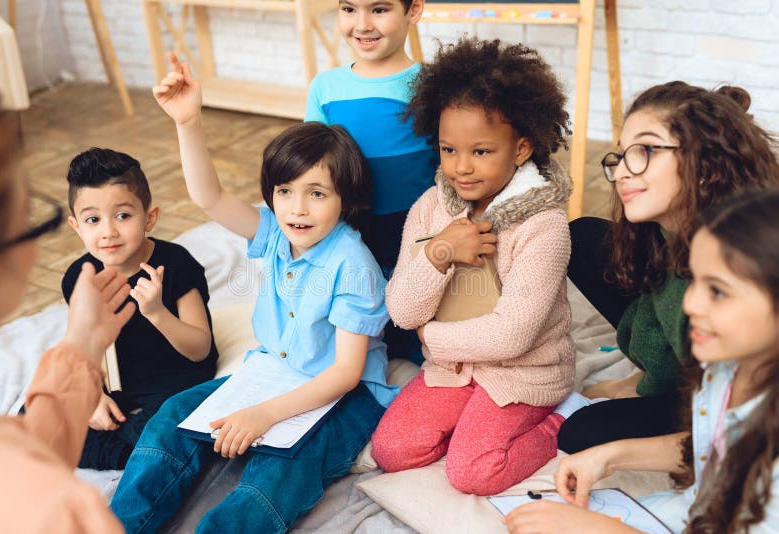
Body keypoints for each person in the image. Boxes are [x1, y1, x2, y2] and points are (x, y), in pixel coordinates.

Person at [110, 55, 398, 533]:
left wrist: (263, 416)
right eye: (284, 191)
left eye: (317, 194)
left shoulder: (354, 266)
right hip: (271, 375)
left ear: (346, 199)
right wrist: (188, 122)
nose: (297, 209)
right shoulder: (277, 234)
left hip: (344, 396)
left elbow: (345, 374)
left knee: (273, 478)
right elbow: (210, 198)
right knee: (170, 419)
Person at [370, 37, 583, 496]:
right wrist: (439, 253)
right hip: (453, 369)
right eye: (449, 150)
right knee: (392, 451)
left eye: (481, 152)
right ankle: (472, 420)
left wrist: (430, 337)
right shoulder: (430, 207)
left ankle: (565, 418)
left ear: (521, 149)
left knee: (473, 473)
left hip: (523, 373)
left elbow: (511, 336)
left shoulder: (544, 226)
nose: (461, 168)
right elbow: (402, 311)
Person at [505, 189, 779, 533]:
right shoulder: (725, 368)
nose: (691, 305)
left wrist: (595, 529)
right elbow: (712, 447)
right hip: (690, 510)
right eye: (694, 281)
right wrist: (610, 456)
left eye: (718, 291)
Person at [558, 81, 779, 453]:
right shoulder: (664, 227)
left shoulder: (737, 253)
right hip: (681, 339)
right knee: (583, 235)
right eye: (622, 154)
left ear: (705, 165)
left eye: (645, 150)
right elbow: (653, 305)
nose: (623, 171)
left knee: (580, 432)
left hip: (711, 380)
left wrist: (643, 388)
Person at [0, 82, 132, 531]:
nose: (108, 232)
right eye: (31, 217)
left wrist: (82, 347)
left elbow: (19, 452)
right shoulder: (60, 511)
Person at [62, 147, 218, 470]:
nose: (108, 232)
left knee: (174, 415)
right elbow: (80, 347)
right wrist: (92, 394)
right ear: (76, 227)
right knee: (40, 409)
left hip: (174, 376)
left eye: (123, 216)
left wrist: (157, 312)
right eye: (93, 220)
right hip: (118, 380)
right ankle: (134, 449)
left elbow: (200, 349)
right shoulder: (80, 276)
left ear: (149, 217)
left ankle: (132, 447)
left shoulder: (176, 264)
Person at [306, 0, 438, 363]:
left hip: (417, 246)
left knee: (418, 344)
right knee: (351, 345)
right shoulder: (325, 87)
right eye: (349, 9)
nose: (362, 24)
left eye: (379, 9)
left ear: (414, 10)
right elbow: (310, 170)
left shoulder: (433, 87)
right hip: (348, 244)